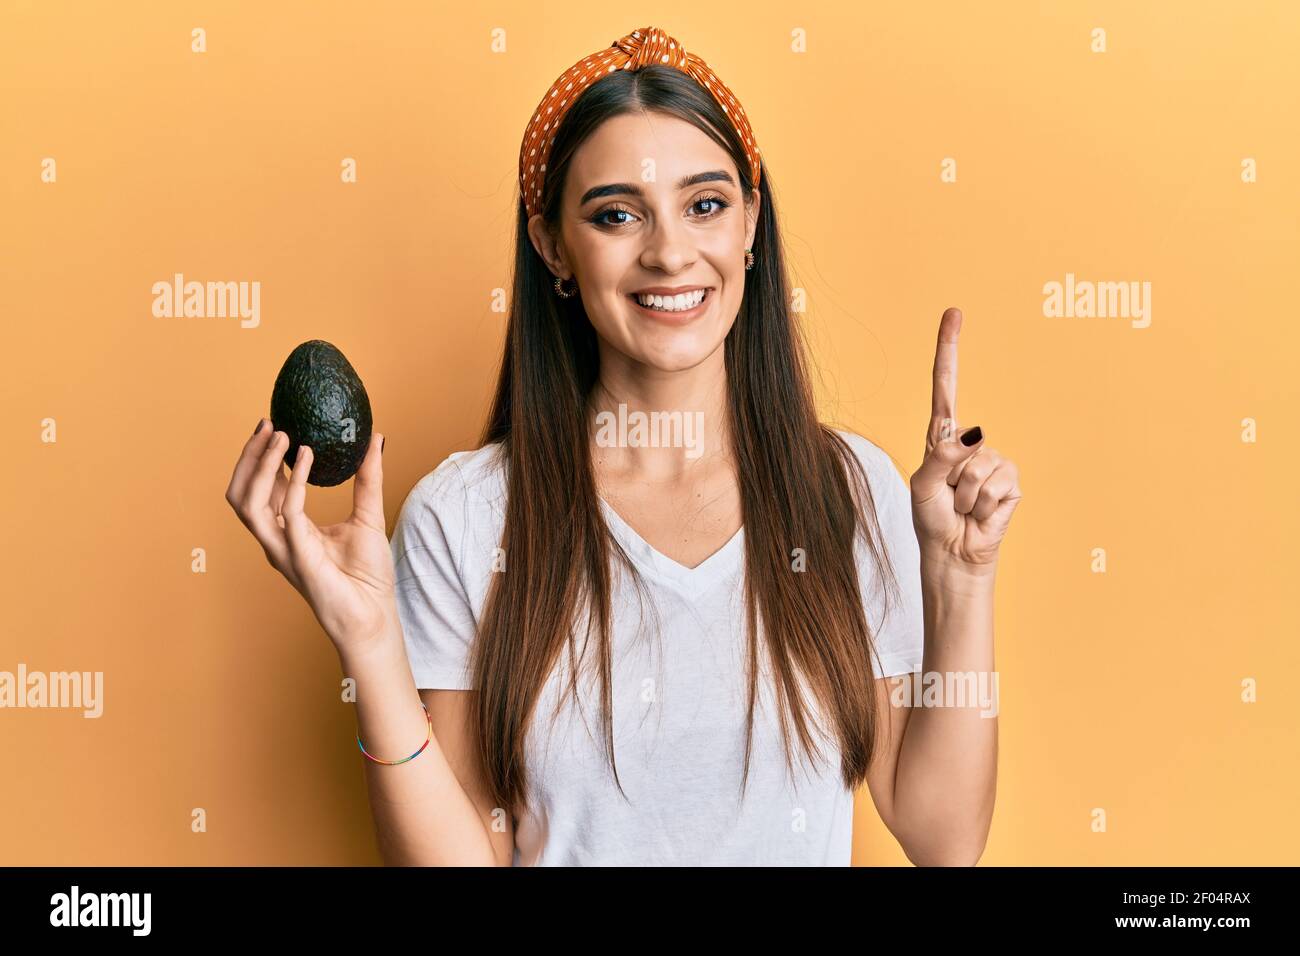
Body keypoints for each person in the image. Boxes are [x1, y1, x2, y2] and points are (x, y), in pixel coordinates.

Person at [225, 25, 1022, 866]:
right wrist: (372, 647)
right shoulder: (462, 517)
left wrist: (961, 580)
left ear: (750, 223)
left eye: (705, 204)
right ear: (551, 246)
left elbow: (943, 838)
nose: (671, 251)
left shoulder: (847, 491)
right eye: (616, 215)